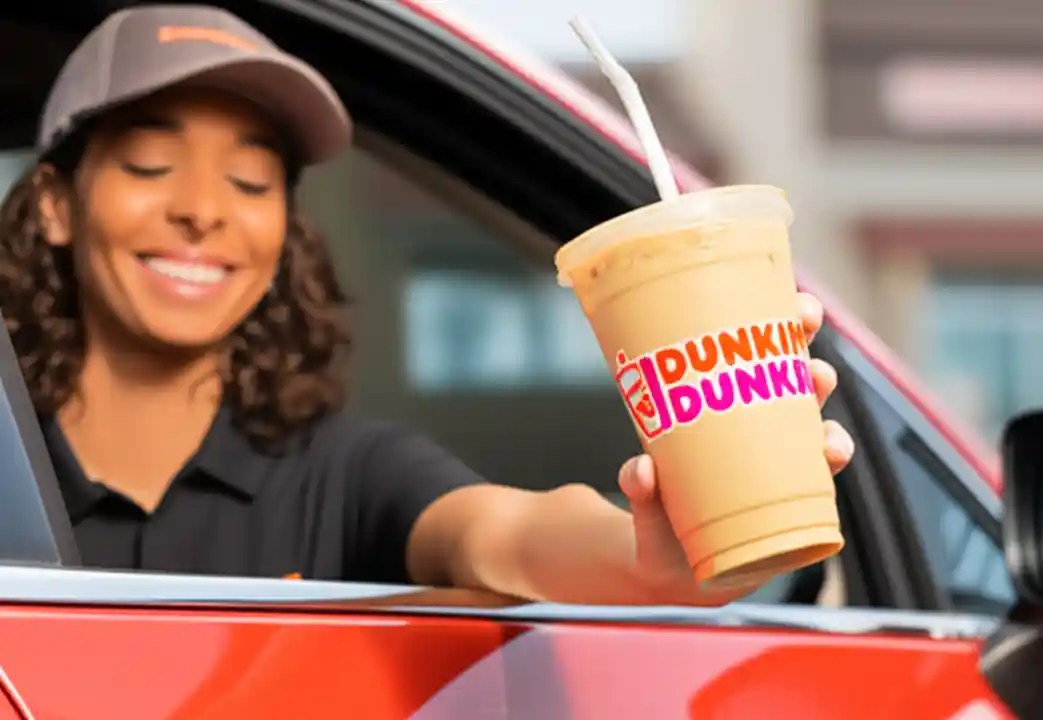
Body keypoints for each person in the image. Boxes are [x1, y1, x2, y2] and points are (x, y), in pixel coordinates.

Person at [0, 4, 855, 606]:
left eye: (251, 181)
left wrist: (659, 557)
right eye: (149, 166)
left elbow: (508, 535)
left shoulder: (344, 477)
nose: (203, 209)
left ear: (281, 226)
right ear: (54, 206)